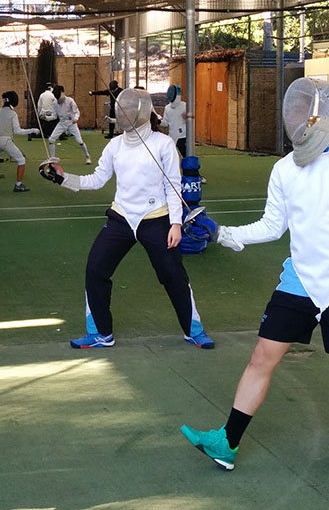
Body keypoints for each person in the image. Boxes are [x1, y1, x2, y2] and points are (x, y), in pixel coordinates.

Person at [180, 78, 329, 478]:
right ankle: (228, 440)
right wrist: (225, 233)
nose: (300, 122)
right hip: (299, 279)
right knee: (262, 357)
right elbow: (274, 225)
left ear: (324, 118)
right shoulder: (283, 170)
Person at [39, 88, 213, 350]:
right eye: (123, 108)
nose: (124, 113)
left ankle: (193, 330)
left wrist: (176, 223)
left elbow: (173, 187)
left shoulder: (162, 144)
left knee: (173, 275)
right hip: (121, 218)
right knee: (95, 269)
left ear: (143, 112)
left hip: (156, 219)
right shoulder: (115, 145)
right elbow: (97, 179)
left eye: (130, 108)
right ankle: (100, 333)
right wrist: (63, 178)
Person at [0, 90, 40, 192]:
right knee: (21, 160)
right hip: (6, 142)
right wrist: (33, 130)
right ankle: (18, 184)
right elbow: (17, 131)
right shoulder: (12, 114)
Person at [47, 85, 91, 164]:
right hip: (62, 123)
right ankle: (52, 159)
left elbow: (76, 112)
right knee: (51, 140)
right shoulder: (55, 103)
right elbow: (54, 116)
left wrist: (76, 119)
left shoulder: (70, 101)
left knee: (80, 141)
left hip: (71, 123)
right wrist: (46, 117)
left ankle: (87, 156)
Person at [161, 84, 186, 155]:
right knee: (168, 156)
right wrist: (158, 121)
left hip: (183, 136)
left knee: (187, 157)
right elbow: (165, 123)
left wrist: (188, 118)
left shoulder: (185, 106)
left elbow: (192, 120)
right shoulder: (167, 108)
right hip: (172, 136)